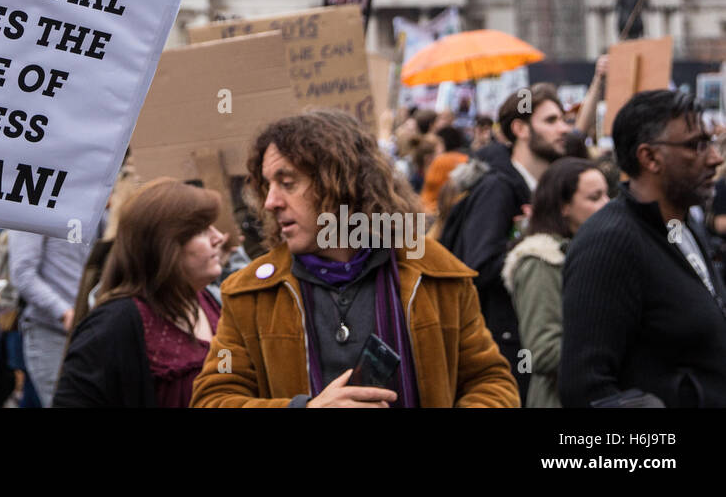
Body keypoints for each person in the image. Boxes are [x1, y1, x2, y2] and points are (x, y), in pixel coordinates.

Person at [192, 109, 518, 408]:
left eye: (287, 183)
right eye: (268, 186)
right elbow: (212, 399)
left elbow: (491, 382)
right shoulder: (251, 293)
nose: (271, 202)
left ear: (342, 184)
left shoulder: (436, 272)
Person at [561, 90, 726, 407]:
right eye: (696, 145)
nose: (715, 159)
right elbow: (586, 389)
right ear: (649, 158)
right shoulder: (609, 243)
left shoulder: (683, 225)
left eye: (711, 142)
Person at [438, 84, 569, 399]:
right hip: (505, 346)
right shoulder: (499, 187)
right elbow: (477, 266)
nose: (564, 128)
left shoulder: (537, 186)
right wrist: (533, 250)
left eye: (563, 119)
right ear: (520, 128)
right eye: (551, 121)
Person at [53, 177, 226, 407]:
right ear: (166, 245)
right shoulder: (114, 324)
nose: (218, 237)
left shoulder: (212, 302)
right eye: (202, 231)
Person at [502, 157, 610, 407]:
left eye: (607, 195)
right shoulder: (541, 260)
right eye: (594, 198)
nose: (606, 205)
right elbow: (544, 350)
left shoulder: (589, 249)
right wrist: (612, 343)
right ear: (564, 206)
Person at [11, 226, 93, 406]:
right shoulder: (37, 207)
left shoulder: (94, 207)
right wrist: (63, 311)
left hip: (90, 330)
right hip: (51, 332)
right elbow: (22, 273)